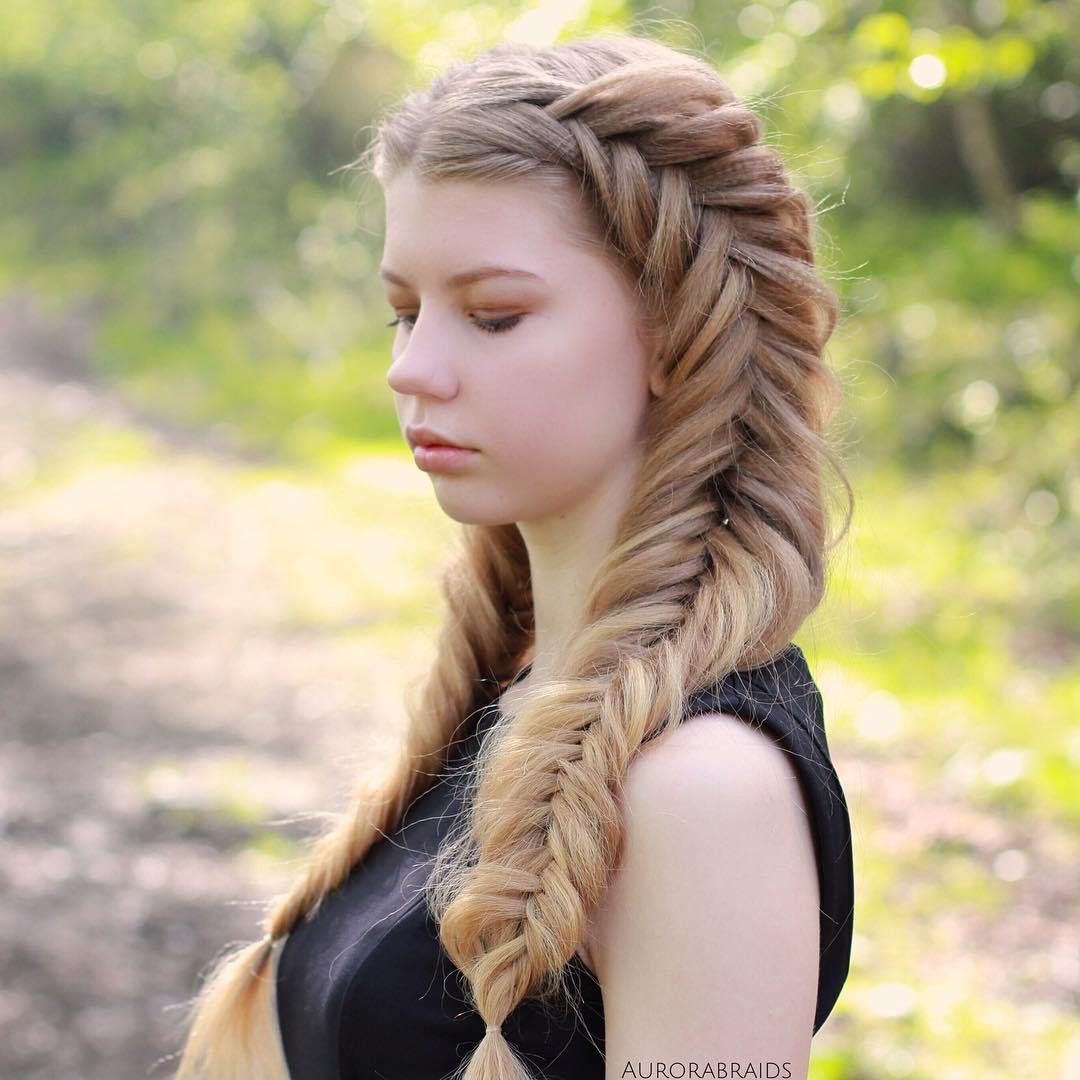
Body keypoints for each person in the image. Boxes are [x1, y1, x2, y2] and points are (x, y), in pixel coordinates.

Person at [175, 28, 856, 1080]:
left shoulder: (704, 791)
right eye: (405, 311)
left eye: (493, 316)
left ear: (680, 333)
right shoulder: (523, 694)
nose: (414, 369)